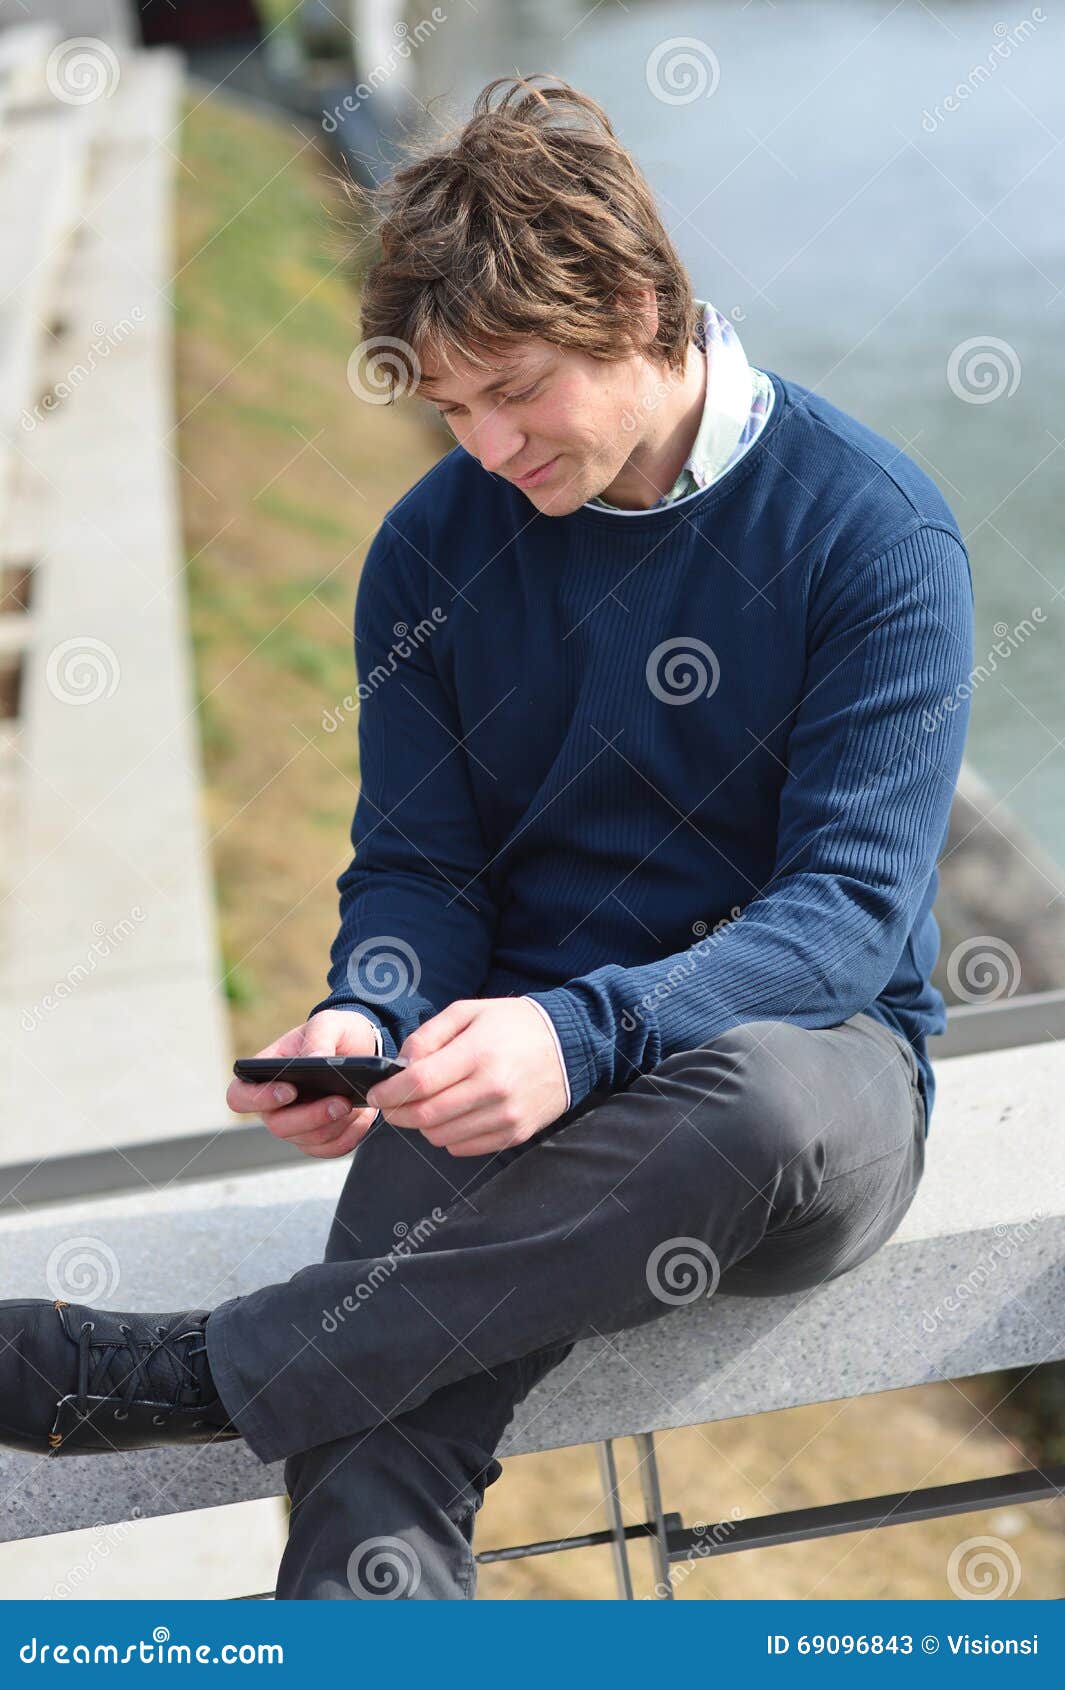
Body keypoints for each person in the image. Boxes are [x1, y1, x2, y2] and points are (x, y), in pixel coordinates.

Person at [0, 74, 973, 1601]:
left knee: (759, 1106)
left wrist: (581, 1035)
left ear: (639, 304)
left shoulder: (870, 534)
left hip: (798, 1078)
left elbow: (847, 916)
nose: (489, 441)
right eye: (449, 405)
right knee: (373, 1467)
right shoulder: (433, 547)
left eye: (516, 387)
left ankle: (189, 1372)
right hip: (489, 1065)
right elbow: (420, 868)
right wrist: (366, 1009)